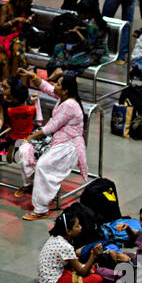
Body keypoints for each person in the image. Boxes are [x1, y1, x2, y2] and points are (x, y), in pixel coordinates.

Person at [19, 72, 86, 220]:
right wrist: (32, 76)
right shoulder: (63, 98)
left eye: (58, 84)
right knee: (25, 150)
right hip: (57, 140)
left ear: (65, 90)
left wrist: (28, 137)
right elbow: (47, 88)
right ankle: (29, 183)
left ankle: (41, 208)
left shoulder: (69, 105)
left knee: (43, 165)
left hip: (68, 147)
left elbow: (49, 128)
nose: (55, 85)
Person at [36, 209, 104, 283]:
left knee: (90, 268)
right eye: (77, 226)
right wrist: (93, 255)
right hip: (52, 282)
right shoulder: (65, 247)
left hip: (45, 277)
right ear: (68, 231)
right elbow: (82, 272)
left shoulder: (55, 237)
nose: (81, 227)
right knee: (97, 279)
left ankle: (79, 282)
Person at [46, 0, 107, 75]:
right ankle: (55, 69)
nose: (78, 15)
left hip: (95, 54)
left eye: (79, 13)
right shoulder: (95, 21)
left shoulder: (94, 25)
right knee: (59, 47)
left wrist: (77, 32)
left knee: (72, 60)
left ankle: (58, 71)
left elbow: (88, 46)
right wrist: (80, 28)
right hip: (88, 49)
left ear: (87, 13)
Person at [0, 0, 34, 80]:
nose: (26, 5)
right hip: (2, 38)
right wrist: (15, 20)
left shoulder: (25, 10)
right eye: (25, 3)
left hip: (16, 37)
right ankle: (6, 81)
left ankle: (14, 80)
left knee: (17, 52)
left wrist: (29, 20)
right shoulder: (5, 7)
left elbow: (25, 29)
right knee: (4, 58)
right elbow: (2, 25)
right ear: (18, 0)